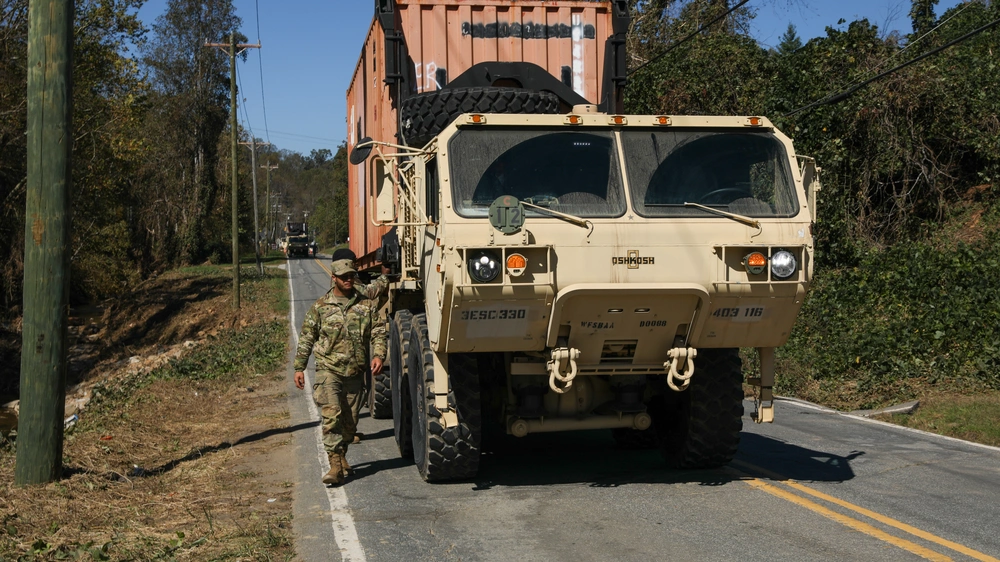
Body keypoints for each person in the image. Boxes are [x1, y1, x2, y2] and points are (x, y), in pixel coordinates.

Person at [294, 258, 387, 486]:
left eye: (351, 276)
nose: (348, 280)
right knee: (331, 416)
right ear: (333, 278)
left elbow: (377, 331)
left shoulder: (365, 305)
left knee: (350, 421)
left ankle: (341, 453)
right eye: (344, 276)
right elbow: (307, 337)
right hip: (329, 370)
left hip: (355, 370)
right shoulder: (321, 307)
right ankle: (334, 466)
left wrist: (378, 355)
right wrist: (299, 366)